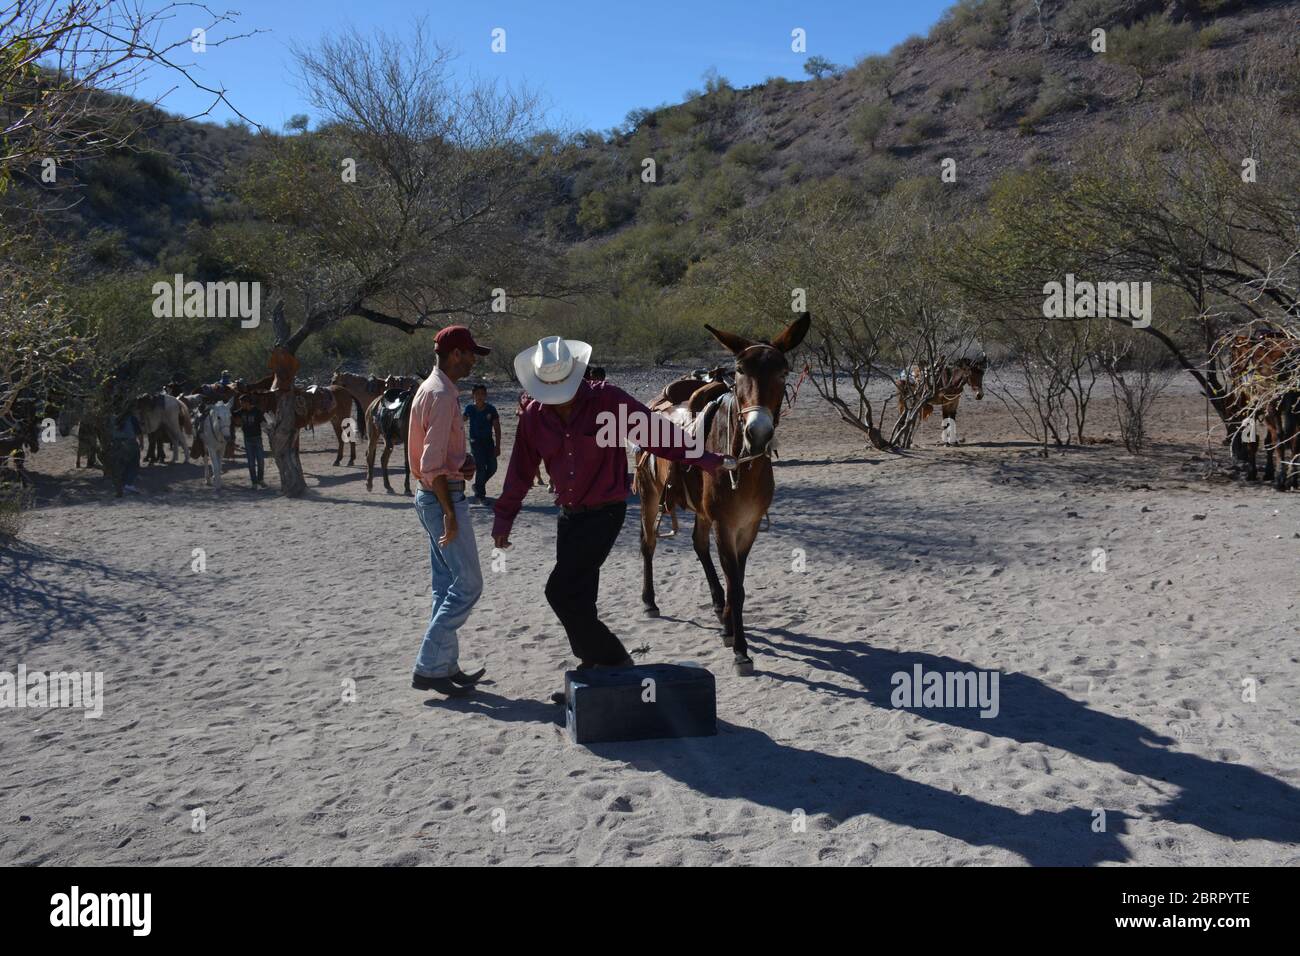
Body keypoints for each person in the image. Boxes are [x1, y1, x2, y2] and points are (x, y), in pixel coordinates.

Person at [492, 336, 735, 702]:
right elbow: (520, 472)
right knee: (580, 594)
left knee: (557, 591)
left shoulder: (607, 400)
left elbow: (659, 436)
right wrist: (504, 519)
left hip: (606, 511)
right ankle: (596, 664)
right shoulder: (533, 417)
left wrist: (707, 459)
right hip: (569, 514)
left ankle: (614, 658)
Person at [408, 325, 492, 697]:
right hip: (441, 497)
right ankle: (428, 666)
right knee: (469, 584)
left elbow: (439, 457)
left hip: (432, 495)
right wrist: (450, 513)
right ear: (456, 353)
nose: (474, 360)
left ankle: (443, 666)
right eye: (471, 353)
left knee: (445, 587)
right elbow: (430, 464)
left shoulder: (433, 389)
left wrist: (463, 462)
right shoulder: (442, 395)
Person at [463, 384, 501, 503]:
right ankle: (480, 495)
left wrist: (498, 446)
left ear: (486, 395)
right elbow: (460, 422)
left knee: (493, 467)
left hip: (489, 443)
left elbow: (497, 428)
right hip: (475, 443)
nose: (480, 396)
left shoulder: (491, 409)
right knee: (481, 469)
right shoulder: (469, 408)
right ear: (473, 395)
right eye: (477, 394)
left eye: (482, 394)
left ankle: (478, 486)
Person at [109, 408, 144, 497]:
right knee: (134, 463)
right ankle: (129, 484)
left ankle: (121, 484)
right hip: (130, 442)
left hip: (116, 443)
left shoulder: (112, 417)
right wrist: (141, 443)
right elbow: (138, 432)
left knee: (120, 464)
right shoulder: (131, 418)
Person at [236, 393, 266, 487]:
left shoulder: (257, 411)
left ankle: (260, 479)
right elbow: (231, 414)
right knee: (251, 462)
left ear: (247, 402)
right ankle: (254, 482)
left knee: (261, 461)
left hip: (257, 439)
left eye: (242, 403)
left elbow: (264, 422)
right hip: (247, 440)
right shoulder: (241, 411)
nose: (241, 405)